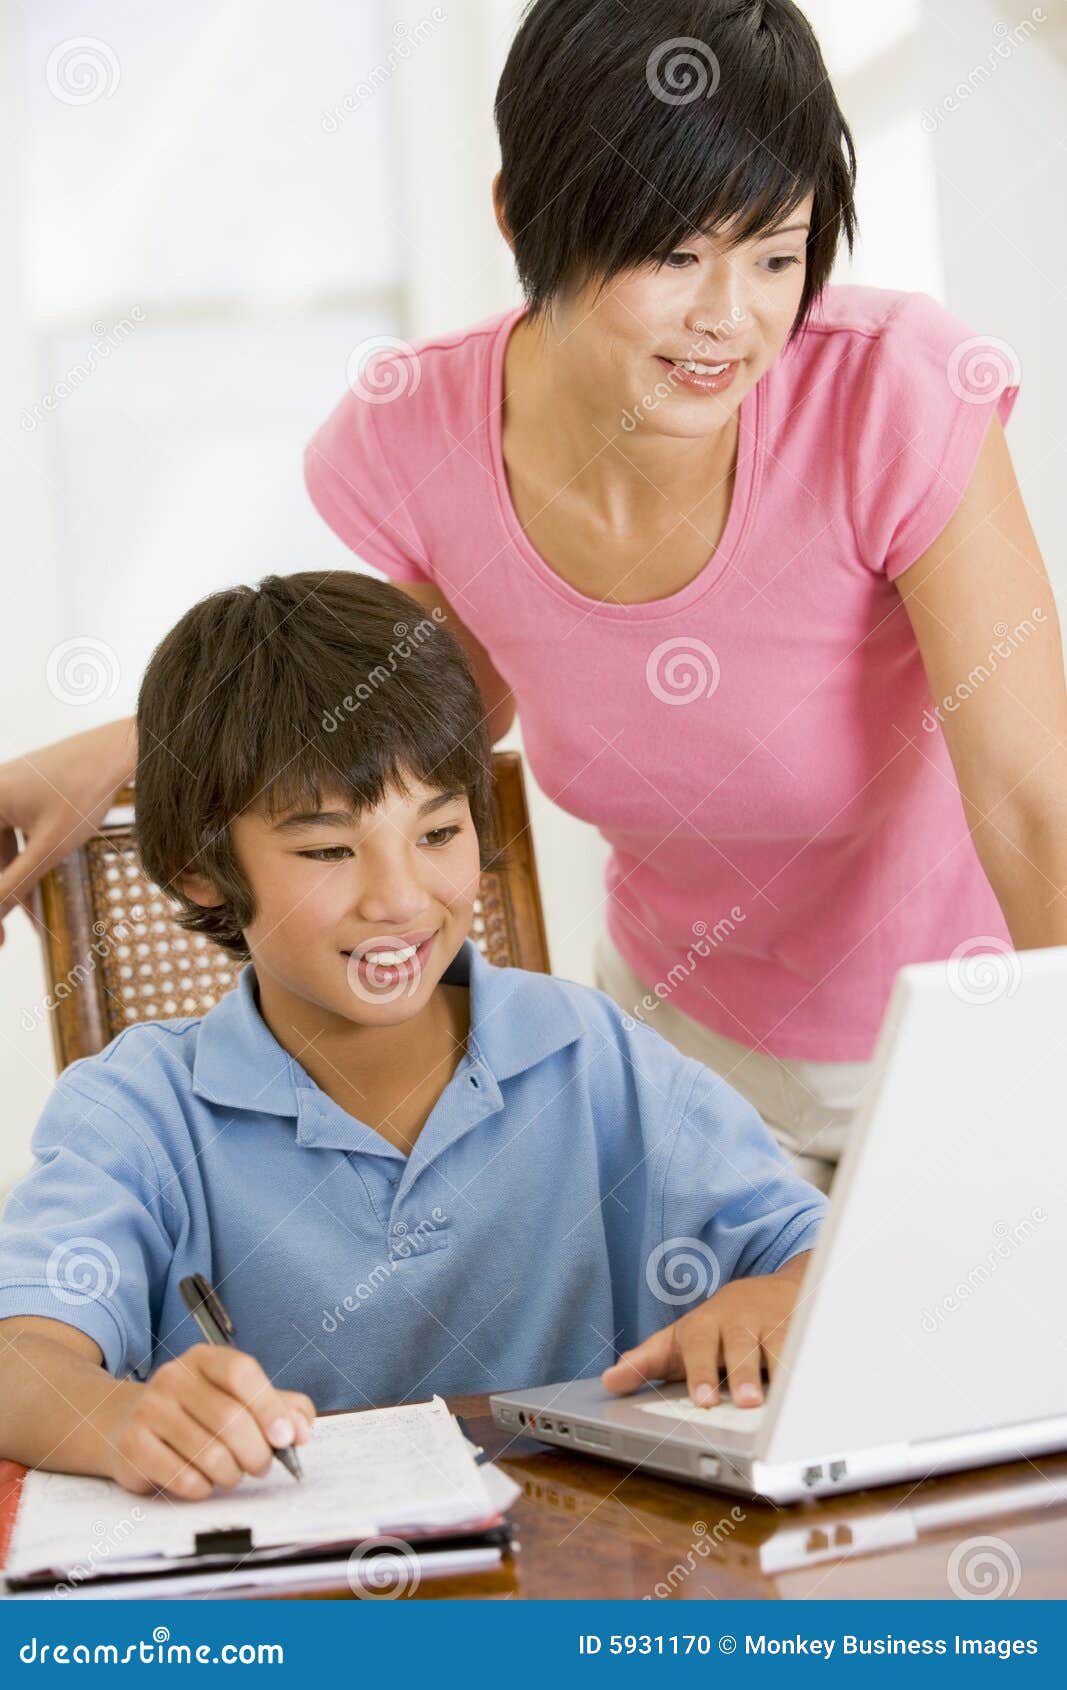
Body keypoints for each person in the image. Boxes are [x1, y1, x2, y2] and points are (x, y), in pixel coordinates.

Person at [3, 1, 1064, 1195]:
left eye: (775, 254)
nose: (729, 318)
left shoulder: (892, 394)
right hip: (682, 1064)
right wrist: (139, 744)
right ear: (520, 215)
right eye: (671, 255)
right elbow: (411, 712)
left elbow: (1035, 810)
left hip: (958, 1041)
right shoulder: (416, 434)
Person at [0, 572, 824, 1501]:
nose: (398, 898)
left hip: (585, 1588)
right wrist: (114, 1417)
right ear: (201, 871)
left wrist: (783, 1294)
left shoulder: (594, 1054)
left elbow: (819, 1251)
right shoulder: (139, 1112)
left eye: (437, 832)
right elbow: (22, 1354)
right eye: (326, 851)